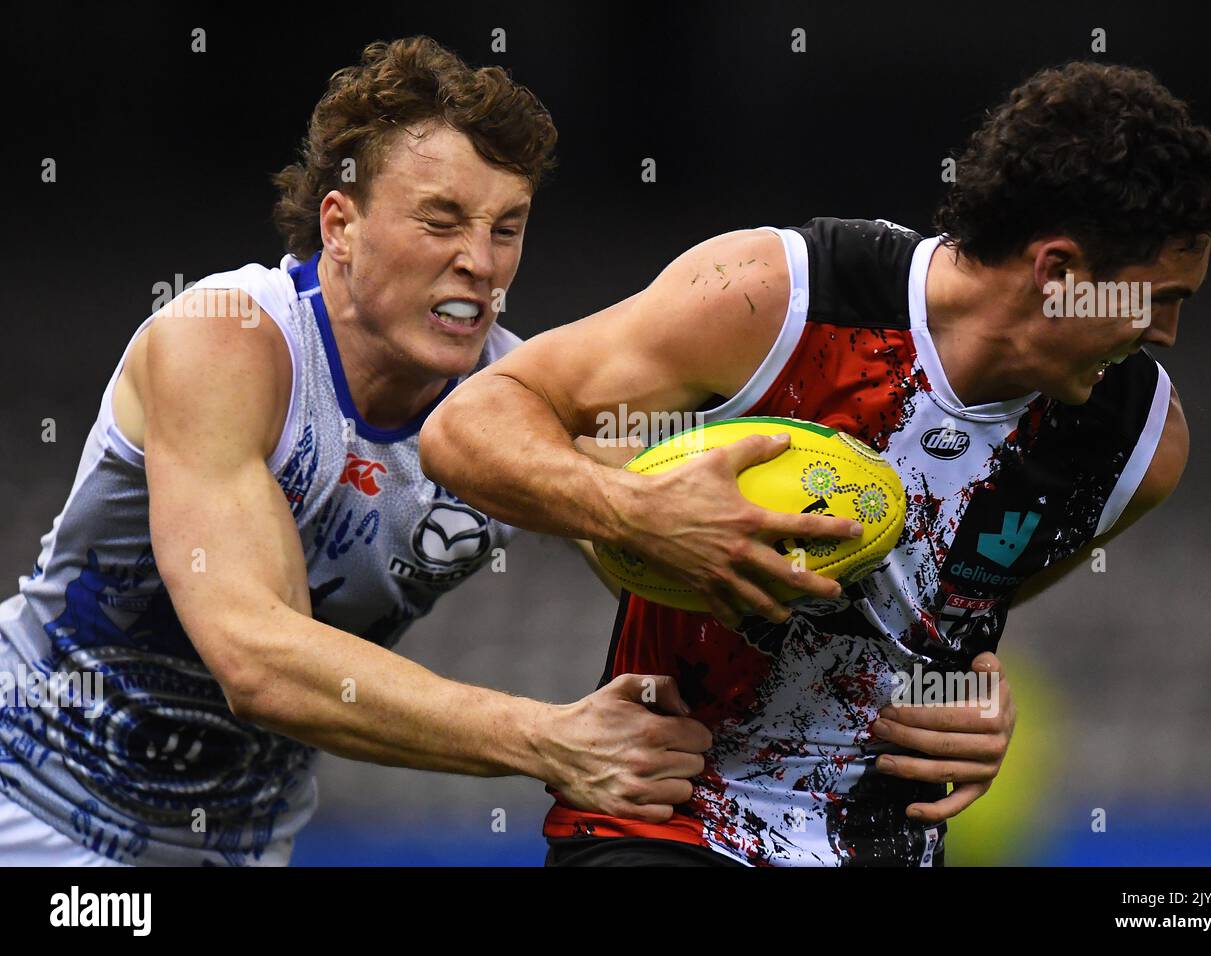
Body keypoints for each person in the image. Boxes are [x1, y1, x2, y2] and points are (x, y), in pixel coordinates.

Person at [420, 61, 1211, 866]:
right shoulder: (778, 296)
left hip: (880, 844)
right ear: (1061, 271)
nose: (1166, 336)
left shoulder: (1138, 446)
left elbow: (930, 625)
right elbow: (469, 428)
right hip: (662, 823)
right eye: (1158, 300)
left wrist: (967, 705)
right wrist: (638, 513)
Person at [0, 36, 714, 867]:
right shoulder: (228, 341)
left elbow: (697, 562)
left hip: (242, 848)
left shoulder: (522, 407)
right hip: (27, 813)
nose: (480, 263)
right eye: (441, 221)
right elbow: (255, 657)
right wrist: (547, 737)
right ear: (340, 225)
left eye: (506, 228)